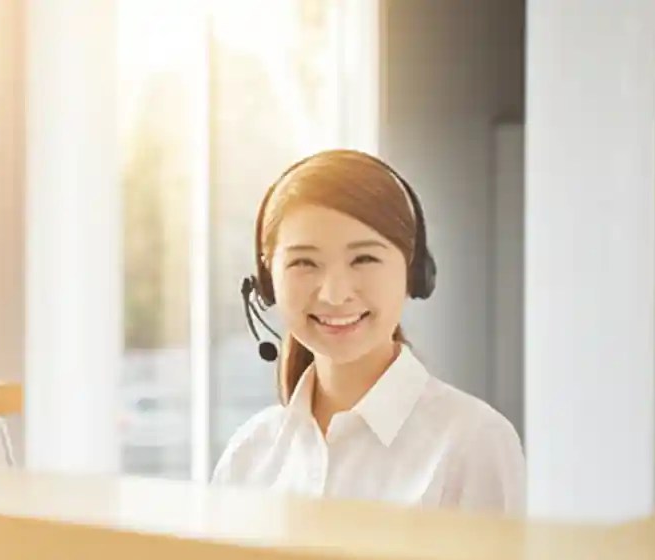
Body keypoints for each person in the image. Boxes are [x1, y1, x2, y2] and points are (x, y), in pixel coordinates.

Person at [211, 149, 525, 515]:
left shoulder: (473, 442)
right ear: (267, 282)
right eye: (303, 263)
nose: (334, 294)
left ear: (414, 271)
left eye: (364, 259)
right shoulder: (250, 453)